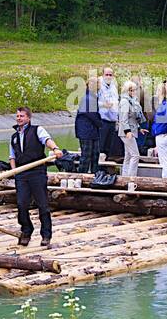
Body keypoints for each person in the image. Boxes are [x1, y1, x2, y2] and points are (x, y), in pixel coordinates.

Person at [10, 106, 63, 247]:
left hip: (37, 172)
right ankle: (26, 230)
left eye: (21, 116)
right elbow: (12, 157)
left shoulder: (37, 130)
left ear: (28, 118)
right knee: (21, 204)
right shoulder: (14, 137)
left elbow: (47, 140)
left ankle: (46, 235)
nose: (19, 118)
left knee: (42, 205)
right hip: (22, 174)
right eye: (17, 116)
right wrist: (14, 171)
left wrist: (55, 148)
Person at [74, 76, 103, 175]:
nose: (98, 86)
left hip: (92, 131)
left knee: (95, 154)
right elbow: (92, 115)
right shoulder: (88, 98)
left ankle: (95, 175)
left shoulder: (92, 97)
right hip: (86, 131)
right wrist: (100, 123)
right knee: (86, 156)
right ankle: (81, 177)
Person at [118, 80, 143, 176]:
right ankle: (131, 178)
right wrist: (127, 131)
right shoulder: (125, 101)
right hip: (126, 132)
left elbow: (133, 118)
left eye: (135, 90)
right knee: (135, 155)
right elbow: (123, 118)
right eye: (132, 90)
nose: (134, 92)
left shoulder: (133, 102)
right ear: (127, 91)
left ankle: (125, 177)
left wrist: (139, 127)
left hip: (132, 130)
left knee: (128, 156)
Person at [97, 67, 119, 159]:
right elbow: (93, 102)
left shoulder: (114, 86)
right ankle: (98, 169)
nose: (109, 77)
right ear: (103, 75)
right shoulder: (99, 86)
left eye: (110, 75)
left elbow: (116, 102)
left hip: (112, 120)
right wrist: (103, 105)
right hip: (103, 120)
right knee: (101, 146)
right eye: (107, 74)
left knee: (109, 147)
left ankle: (106, 169)